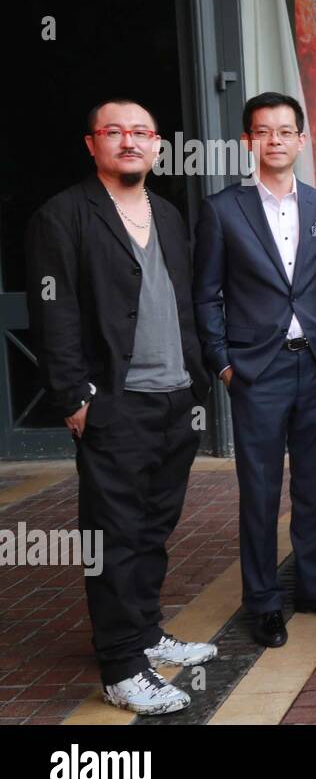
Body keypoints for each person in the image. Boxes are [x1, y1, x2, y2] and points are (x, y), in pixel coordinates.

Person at [25, 99, 215, 715]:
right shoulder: (63, 215)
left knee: (154, 529)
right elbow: (53, 311)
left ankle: (146, 633)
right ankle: (122, 667)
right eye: (115, 132)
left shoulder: (168, 213)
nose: (129, 141)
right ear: (92, 144)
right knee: (113, 537)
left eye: (141, 132)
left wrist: (196, 382)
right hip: (114, 404)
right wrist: (75, 396)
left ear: (157, 144)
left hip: (175, 398)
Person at [193, 92, 316, 648]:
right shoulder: (222, 210)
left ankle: (314, 587)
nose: (275, 140)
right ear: (248, 141)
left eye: (285, 131)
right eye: (263, 131)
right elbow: (206, 294)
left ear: (302, 139)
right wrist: (223, 363)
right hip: (256, 371)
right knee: (259, 492)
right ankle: (263, 602)